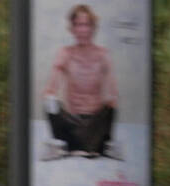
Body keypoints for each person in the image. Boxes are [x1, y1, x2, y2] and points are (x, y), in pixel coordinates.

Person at [41, 4, 121, 160]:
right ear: (72, 28)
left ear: (93, 28)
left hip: (95, 122)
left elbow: (113, 91)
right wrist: (49, 95)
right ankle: (84, 146)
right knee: (49, 102)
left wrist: (113, 98)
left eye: (86, 25)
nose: (83, 30)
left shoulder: (103, 54)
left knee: (111, 105)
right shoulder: (64, 53)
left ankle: (81, 145)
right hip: (72, 121)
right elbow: (51, 87)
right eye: (78, 25)